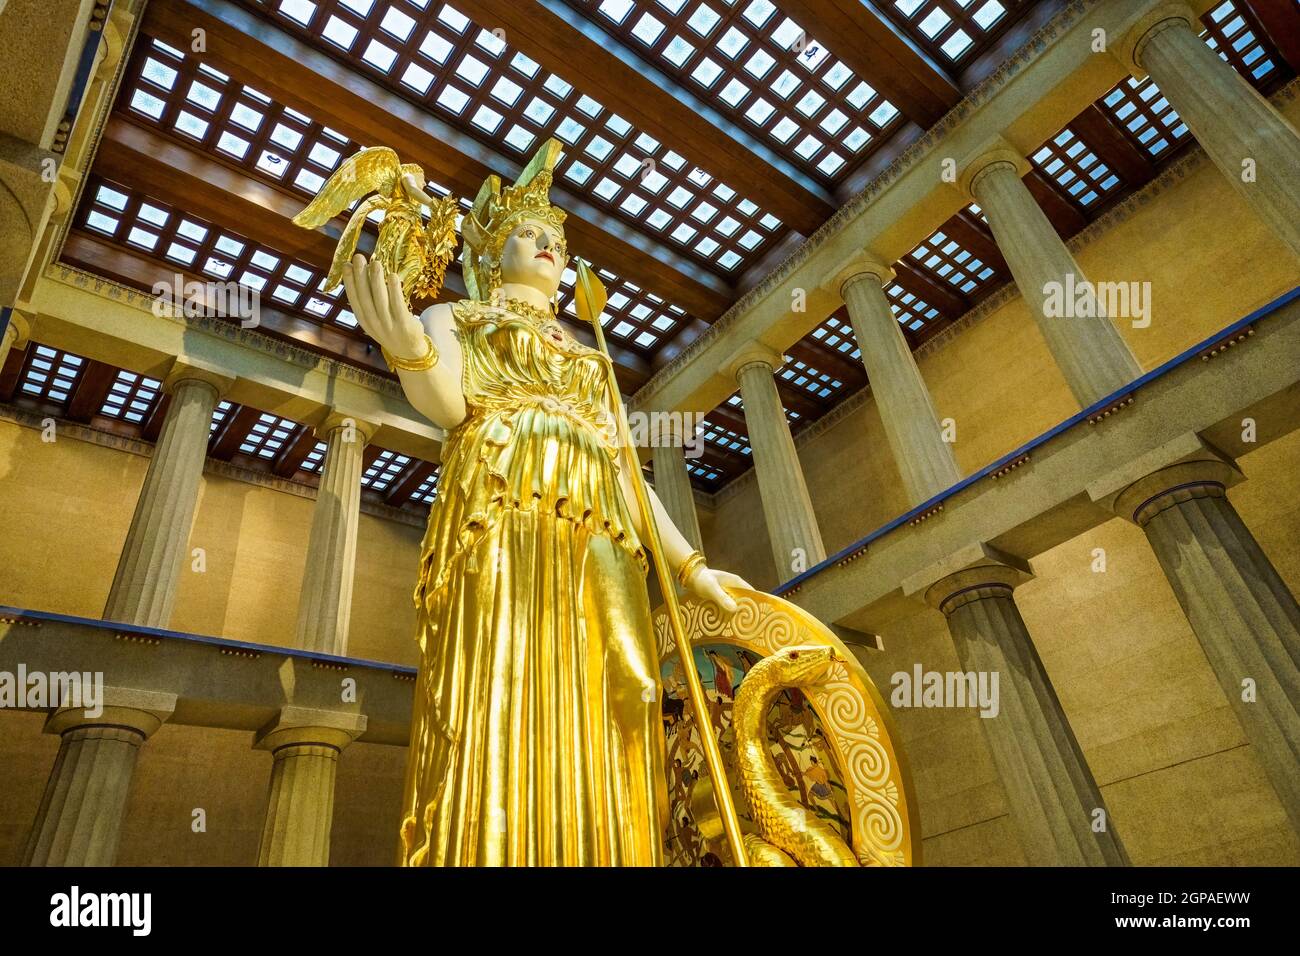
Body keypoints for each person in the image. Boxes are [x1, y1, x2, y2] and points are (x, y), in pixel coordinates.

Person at [338, 139, 753, 866]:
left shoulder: (591, 362)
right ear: (494, 253)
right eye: (530, 235)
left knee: (624, 691)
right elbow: (446, 401)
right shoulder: (460, 318)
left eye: (557, 240)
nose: (548, 247)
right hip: (501, 510)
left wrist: (691, 569)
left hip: (602, 529)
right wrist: (405, 343)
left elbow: (630, 472)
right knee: (502, 689)